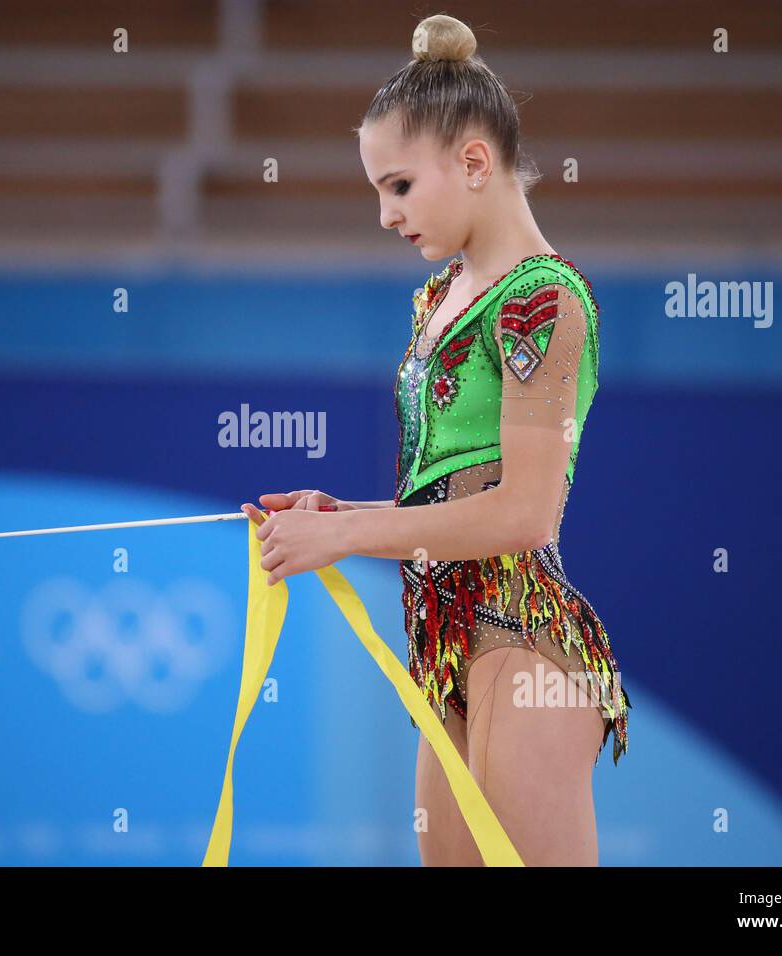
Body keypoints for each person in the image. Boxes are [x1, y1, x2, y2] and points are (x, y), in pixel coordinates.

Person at [239, 13, 630, 867]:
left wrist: (344, 535)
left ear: (475, 162)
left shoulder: (542, 302)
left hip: (521, 638)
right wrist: (344, 512)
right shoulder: (438, 300)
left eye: (400, 187)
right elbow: (447, 493)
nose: (385, 215)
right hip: (448, 645)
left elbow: (525, 513)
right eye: (376, 190)